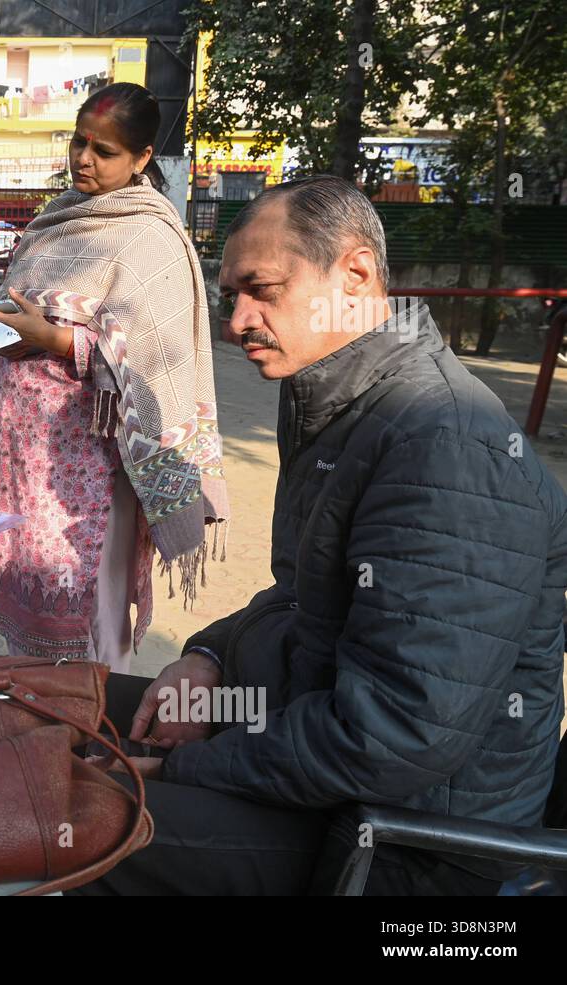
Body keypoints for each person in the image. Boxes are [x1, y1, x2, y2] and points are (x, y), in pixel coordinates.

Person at [71, 175, 567, 896]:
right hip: (324, 759)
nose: (238, 319)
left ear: (356, 275)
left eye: (261, 289)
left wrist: (188, 765)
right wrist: (209, 657)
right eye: (230, 294)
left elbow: (397, 733)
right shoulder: (353, 407)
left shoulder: (448, 444)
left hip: (400, 844)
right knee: (52, 706)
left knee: (56, 827)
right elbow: (304, 597)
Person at [0, 82, 229, 671]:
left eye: (104, 151)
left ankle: (96, 726)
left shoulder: (150, 239)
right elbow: (29, 306)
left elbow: (147, 359)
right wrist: (0, 329)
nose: (83, 159)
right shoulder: (56, 218)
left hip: (90, 462)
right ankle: (40, 715)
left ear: (141, 159)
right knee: (26, 576)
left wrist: (53, 339)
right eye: (78, 142)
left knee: (90, 601)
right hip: (24, 452)